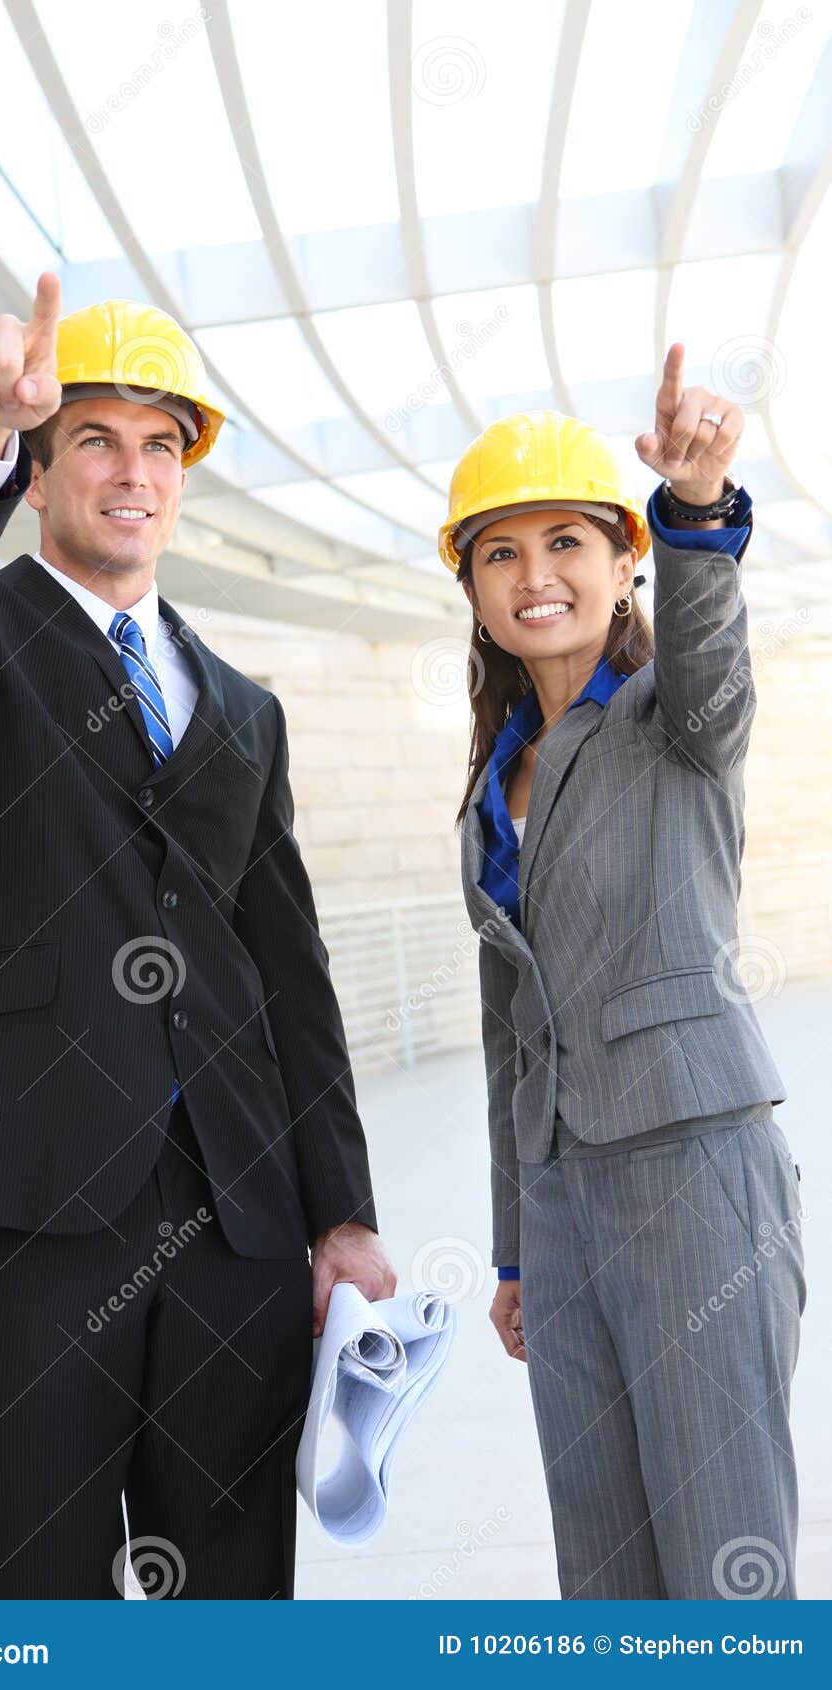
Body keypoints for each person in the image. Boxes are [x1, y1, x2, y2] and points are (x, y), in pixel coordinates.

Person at [0, 272, 395, 1600]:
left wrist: (339, 1211)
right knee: (32, 1575)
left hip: (236, 1214)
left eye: (160, 444)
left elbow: (286, 966)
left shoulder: (245, 708)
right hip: (30, 1199)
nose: (131, 470)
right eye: (93, 438)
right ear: (37, 477)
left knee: (230, 1578)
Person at [443, 346, 805, 1600]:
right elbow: (509, 1037)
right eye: (499, 552)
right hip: (560, 1201)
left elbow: (712, 663)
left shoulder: (672, 718)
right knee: (597, 1571)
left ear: (620, 558)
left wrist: (698, 510)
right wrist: (510, 1250)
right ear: (473, 587)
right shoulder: (492, 786)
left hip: (691, 1168)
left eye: (564, 543)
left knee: (720, 1558)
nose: (534, 576)